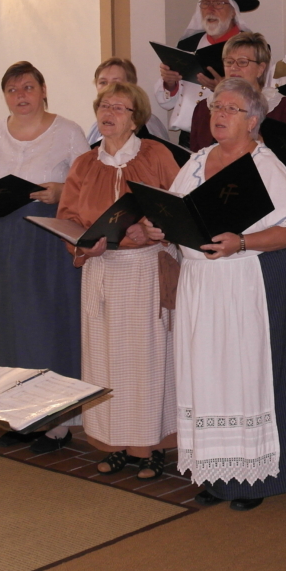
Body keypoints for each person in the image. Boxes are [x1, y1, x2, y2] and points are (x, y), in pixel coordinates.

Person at [140, 77, 286, 509]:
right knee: (206, 374)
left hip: (245, 283)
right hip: (201, 285)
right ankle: (216, 470)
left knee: (245, 376)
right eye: (215, 107)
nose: (219, 115)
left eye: (230, 109)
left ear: (254, 120)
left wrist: (241, 242)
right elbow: (178, 213)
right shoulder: (197, 161)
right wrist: (159, 227)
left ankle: (252, 477)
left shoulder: (266, 166)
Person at [58, 81, 181, 479]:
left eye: (118, 107)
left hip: (143, 268)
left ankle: (150, 445)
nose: (108, 112)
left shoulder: (156, 154)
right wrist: (82, 246)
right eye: (103, 105)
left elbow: (179, 206)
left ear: (136, 119)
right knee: (105, 361)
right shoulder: (83, 164)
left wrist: (154, 228)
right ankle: (115, 442)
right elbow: (68, 220)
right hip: (100, 270)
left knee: (146, 360)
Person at [0, 61, 90, 453]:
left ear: (43, 90)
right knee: (4, 326)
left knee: (43, 327)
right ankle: (16, 414)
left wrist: (61, 193)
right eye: (12, 90)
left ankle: (55, 422)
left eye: (27, 87)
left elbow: (89, 183)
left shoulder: (68, 131)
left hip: (45, 244)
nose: (20, 95)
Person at [155, 0, 256, 147]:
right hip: (188, 138)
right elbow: (167, 104)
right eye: (205, 3)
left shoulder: (249, 48)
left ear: (233, 10)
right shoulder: (188, 44)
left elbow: (260, 99)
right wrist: (170, 84)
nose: (210, 9)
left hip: (230, 140)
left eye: (218, 4)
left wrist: (224, 89)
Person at [188, 31, 286, 149]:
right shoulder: (204, 108)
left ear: (261, 68)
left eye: (242, 62)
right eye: (229, 62)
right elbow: (196, 153)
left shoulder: (284, 109)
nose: (234, 67)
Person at [89, 57, 170, 144]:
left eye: (115, 83)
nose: (109, 88)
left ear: (131, 85)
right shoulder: (96, 128)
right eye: (103, 82)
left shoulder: (147, 124)